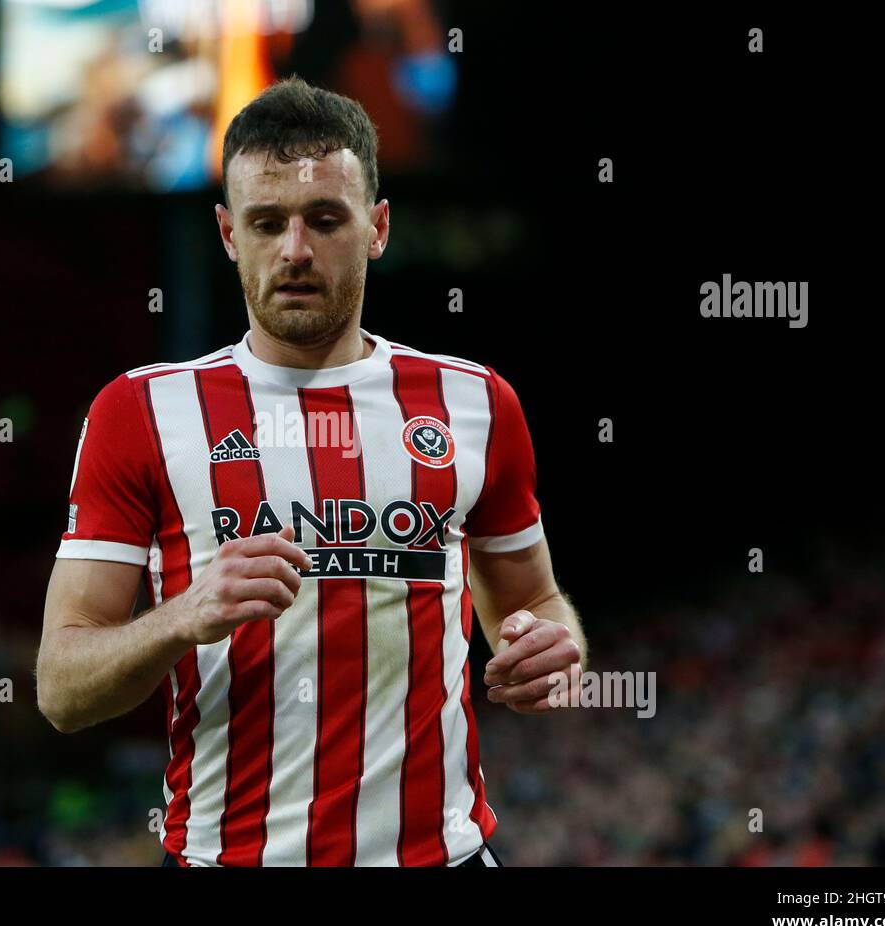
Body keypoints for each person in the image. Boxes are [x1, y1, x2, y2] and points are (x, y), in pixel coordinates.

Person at [36, 76, 586, 867]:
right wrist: (186, 616)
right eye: (267, 223)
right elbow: (61, 689)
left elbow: (531, 604)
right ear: (228, 234)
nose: (295, 250)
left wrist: (554, 650)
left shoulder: (475, 402)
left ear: (378, 228)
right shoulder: (140, 413)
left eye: (325, 219)